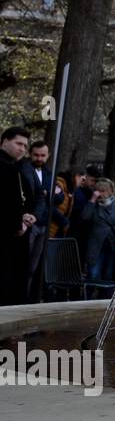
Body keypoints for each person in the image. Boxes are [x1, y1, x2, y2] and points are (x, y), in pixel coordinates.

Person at [0, 127, 36, 306]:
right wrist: (16, 224)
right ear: (5, 141)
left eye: (25, 145)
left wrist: (27, 216)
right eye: (18, 143)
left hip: (15, 235)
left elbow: (23, 199)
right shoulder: (4, 168)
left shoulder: (17, 168)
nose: (22, 149)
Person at [82, 177, 115, 293]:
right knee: (93, 275)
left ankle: (105, 303)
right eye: (98, 190)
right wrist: (92, 200)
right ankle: (87, 301)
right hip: (96, 246)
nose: (100, 193)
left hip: (112, 245)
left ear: (110, 192)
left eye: (103, 191)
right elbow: (85, 216)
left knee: (108, 276)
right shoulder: (93, 205)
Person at [21, 137, 51, 303]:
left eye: (42, 155)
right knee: (25, 264)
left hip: (42, 222)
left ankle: (28, 297)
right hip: (28, 222)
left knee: (34, 265)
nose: (39, 158)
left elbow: (51, 196)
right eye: (36, 155)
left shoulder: (48, 172)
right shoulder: (25, 168)